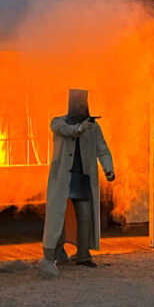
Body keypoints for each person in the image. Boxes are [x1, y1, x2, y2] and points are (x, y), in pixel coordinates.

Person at [40, 89, 115, 276]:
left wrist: (108, 168)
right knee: (58, 217)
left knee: (85, 217)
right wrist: (81, 128)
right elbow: (67, 131)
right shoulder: (58, 122)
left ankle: (83, 255)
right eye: (79, 103)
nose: (82, 106)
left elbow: (102, 149)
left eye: (84, 103)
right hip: (62, 179)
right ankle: (52, 254)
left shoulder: (94, 128)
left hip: (82, 179)